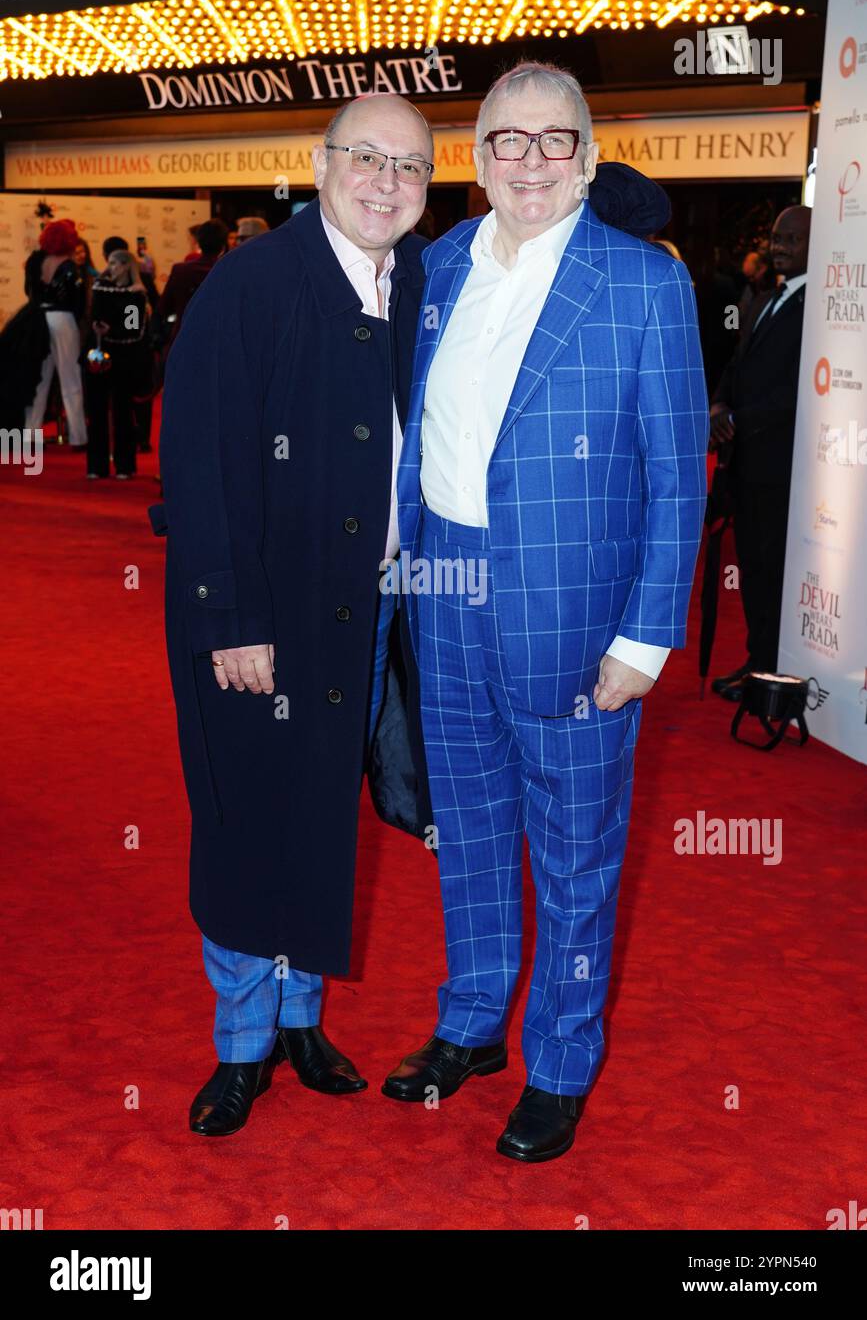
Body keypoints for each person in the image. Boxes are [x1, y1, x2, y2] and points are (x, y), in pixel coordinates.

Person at [385, 63, 709, 1163]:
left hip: (577, 611)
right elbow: (409, 432)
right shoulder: (433, 268)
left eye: (554, 139)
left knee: (577, 853)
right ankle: (472, 1023)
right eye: (508, 141)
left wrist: (647, 634)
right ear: (477, 157)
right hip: (445, 589)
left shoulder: (643, 281)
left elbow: (679, 473)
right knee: (466, 833)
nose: (530, 160)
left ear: (588, 153)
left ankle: (561, 1061)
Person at [156, 95, 437, 1138]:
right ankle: (240, 1047)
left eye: (410, 167)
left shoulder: (418, 283)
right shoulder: (253, 281)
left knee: (322, 814)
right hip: (259, 619)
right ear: (321, 166)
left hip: (366, 617)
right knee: (246, 824)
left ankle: (300, 1019)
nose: (385, 182)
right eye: (366, 158)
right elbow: (202, 461)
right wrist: (229, 616)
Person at [708, 207, 811, 699]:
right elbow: (736, 365)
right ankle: (757, 662)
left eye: (793, 237)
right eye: (776, 237)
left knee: (772, 574)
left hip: (784, 470)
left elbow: (798, 388)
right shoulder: (763, 299)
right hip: (744, 467)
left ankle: (769, 669)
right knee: (750, 569)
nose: (780, 245)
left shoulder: (820, 307)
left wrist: (742, 422)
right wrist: (719, 405)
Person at [84, 250, 151, 481]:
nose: (110, 267)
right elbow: (93, 315)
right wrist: (97, 327)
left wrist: (110, 330)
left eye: (115, 263)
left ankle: (125, 465)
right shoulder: (100, 289)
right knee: (96, 411)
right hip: (99, 358)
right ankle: (96, 465)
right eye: (109, 263)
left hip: (124, 360)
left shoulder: (135, 296)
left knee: (123, 413)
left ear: (126, 266)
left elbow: (133, 329)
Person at [24, 219, 87, 447]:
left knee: (39, 379)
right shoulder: (70, 267)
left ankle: (30, 434)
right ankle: (78, 436)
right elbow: (77, 302)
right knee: (71, 378)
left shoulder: (35, 262)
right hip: (63, 320)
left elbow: (29, 291)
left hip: (38, 319)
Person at [158, 218, 228, 350]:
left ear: (198, 242)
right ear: (223, 245)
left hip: (183, 338)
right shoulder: (229, 271)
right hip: (218, 342)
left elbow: (163, 307)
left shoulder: (180, 270)